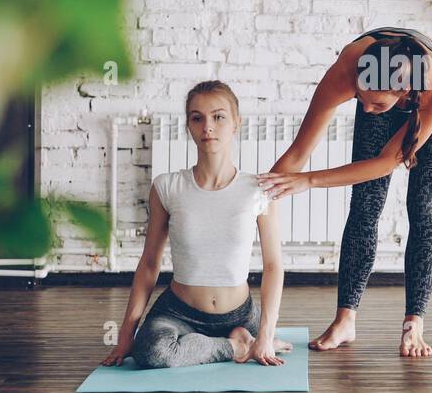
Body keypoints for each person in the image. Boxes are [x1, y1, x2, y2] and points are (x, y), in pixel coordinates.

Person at [257, 27, 432, 357]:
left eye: (376, 103)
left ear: (404, 90)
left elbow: (386, 163)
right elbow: (297, 154)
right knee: (365, 204)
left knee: (423, 205)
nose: (366, 110)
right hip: (386, 87)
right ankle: (345, 321)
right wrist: (261, 195)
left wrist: (310, 181)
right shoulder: (348, 73)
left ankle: (414, 324)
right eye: (360, 100)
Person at [100, 80, 293, 369]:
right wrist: (126, 335)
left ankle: (244, 336)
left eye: (218, 117)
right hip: (179, 313)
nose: (208, 127)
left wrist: (265, 334)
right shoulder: (167, 187)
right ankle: (236, 344)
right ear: (188, 125)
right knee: (151, 352)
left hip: (240, 314)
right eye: (197, 118)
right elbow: (149, 264)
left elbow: (273, 266)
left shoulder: (260, 189)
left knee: (163, 352)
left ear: (236, 123)